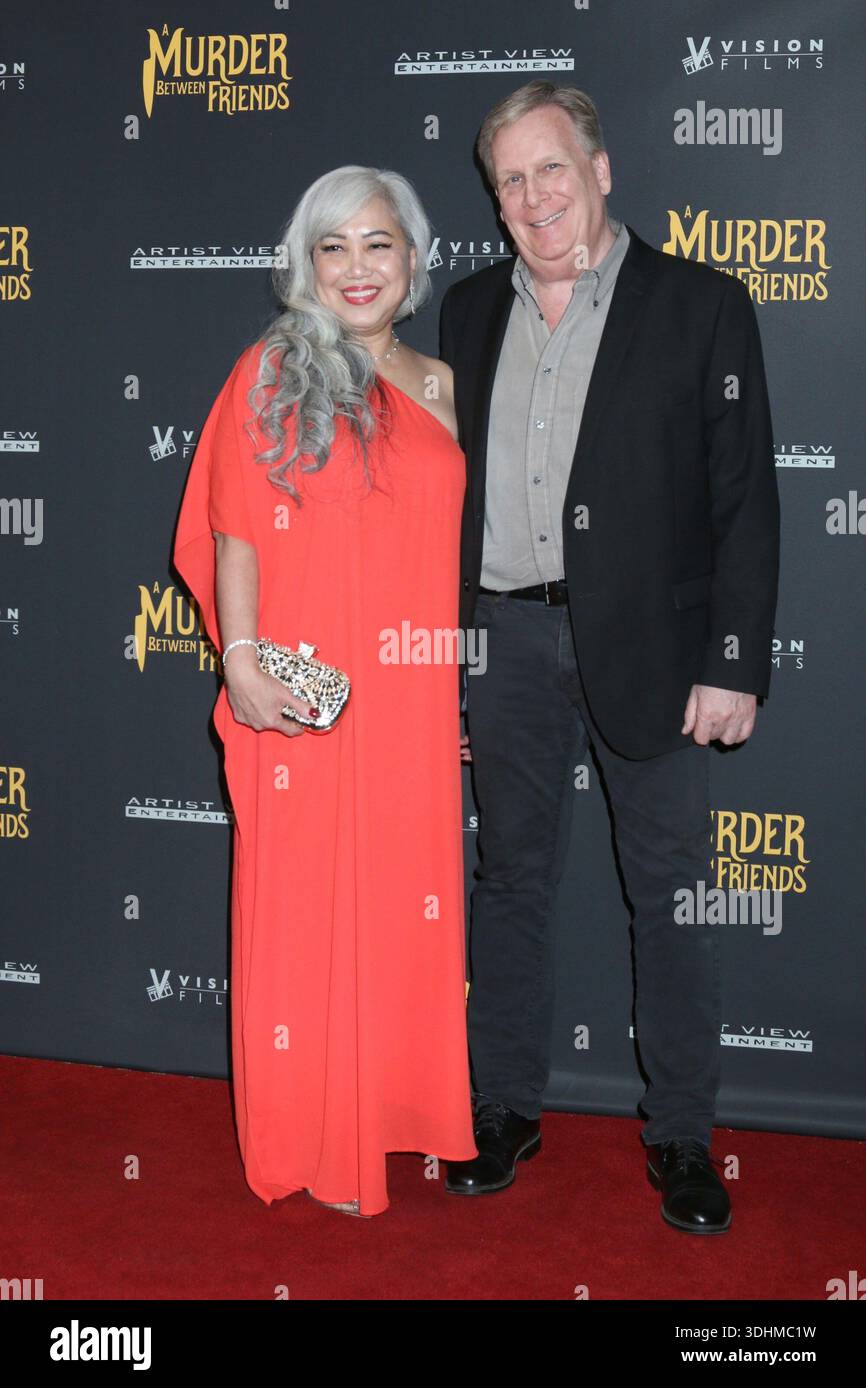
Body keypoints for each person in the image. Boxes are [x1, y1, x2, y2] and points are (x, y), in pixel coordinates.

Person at [439, 81, 780, 1233]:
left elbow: (743, 500)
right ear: (492, 202)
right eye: (508, 181)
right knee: (508, 882)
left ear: (599, 170)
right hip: (502, 633)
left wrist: (731, 661)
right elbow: (447, 504)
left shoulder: (700, 305)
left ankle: (682, 1132)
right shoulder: (467, 310)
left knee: (672, 895)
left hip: (652, 641)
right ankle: (502, 1108)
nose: (531, 197)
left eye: (549, 169)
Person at [173, 165, 477, 1217]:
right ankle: (313, 1133)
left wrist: (455, 695)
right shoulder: (271, 373)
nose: (357, 267)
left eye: (378, 243)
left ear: (412, 258)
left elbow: (449, 557)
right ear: (305, 263)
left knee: (400, 908)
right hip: (307, 695)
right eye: (333, 246)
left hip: (409, 701)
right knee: (303, 911)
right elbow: (231, 529)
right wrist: (243, 662)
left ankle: (388, 1114)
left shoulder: (438, 382)